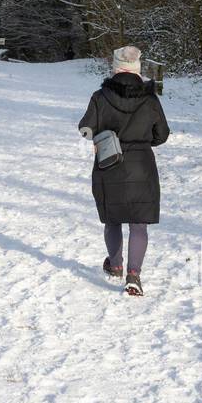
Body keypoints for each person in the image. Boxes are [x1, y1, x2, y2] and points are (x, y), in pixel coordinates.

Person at [77, 45, 170, 296]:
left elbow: (85, 129)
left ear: (116, 68)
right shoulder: (150, 99)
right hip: (142, 166)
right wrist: (141, 142)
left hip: (109, 163)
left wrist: (99, 137)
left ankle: (115, 264)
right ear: (138, 69)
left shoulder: (100, 96)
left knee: (113, 219)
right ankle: (133, 275)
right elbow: (162, 135)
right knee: (139, 225)